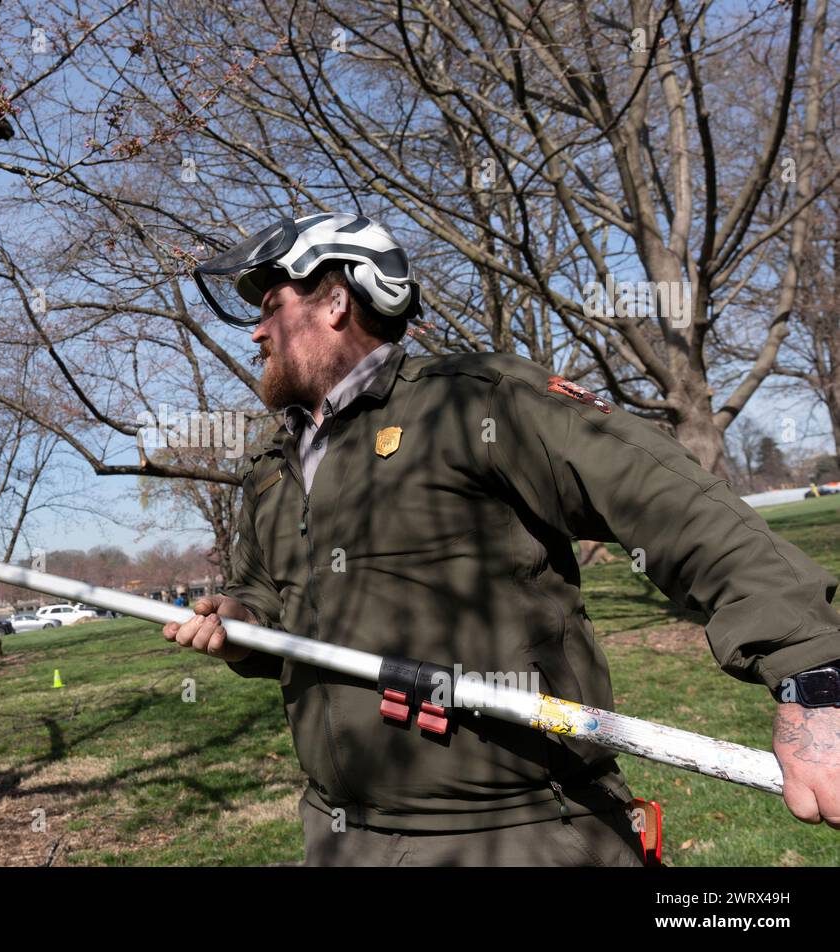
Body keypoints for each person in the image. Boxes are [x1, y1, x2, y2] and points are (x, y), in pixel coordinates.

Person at [164, 211, 840, 866]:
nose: (256, 332)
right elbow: (272, 602)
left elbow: (673, 502)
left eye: (271, 304)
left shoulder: (475, 403)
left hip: (522, 833)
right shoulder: (270, 471)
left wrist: (812, 677)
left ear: (336, 301)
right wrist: (242, 621)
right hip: (343, 834)